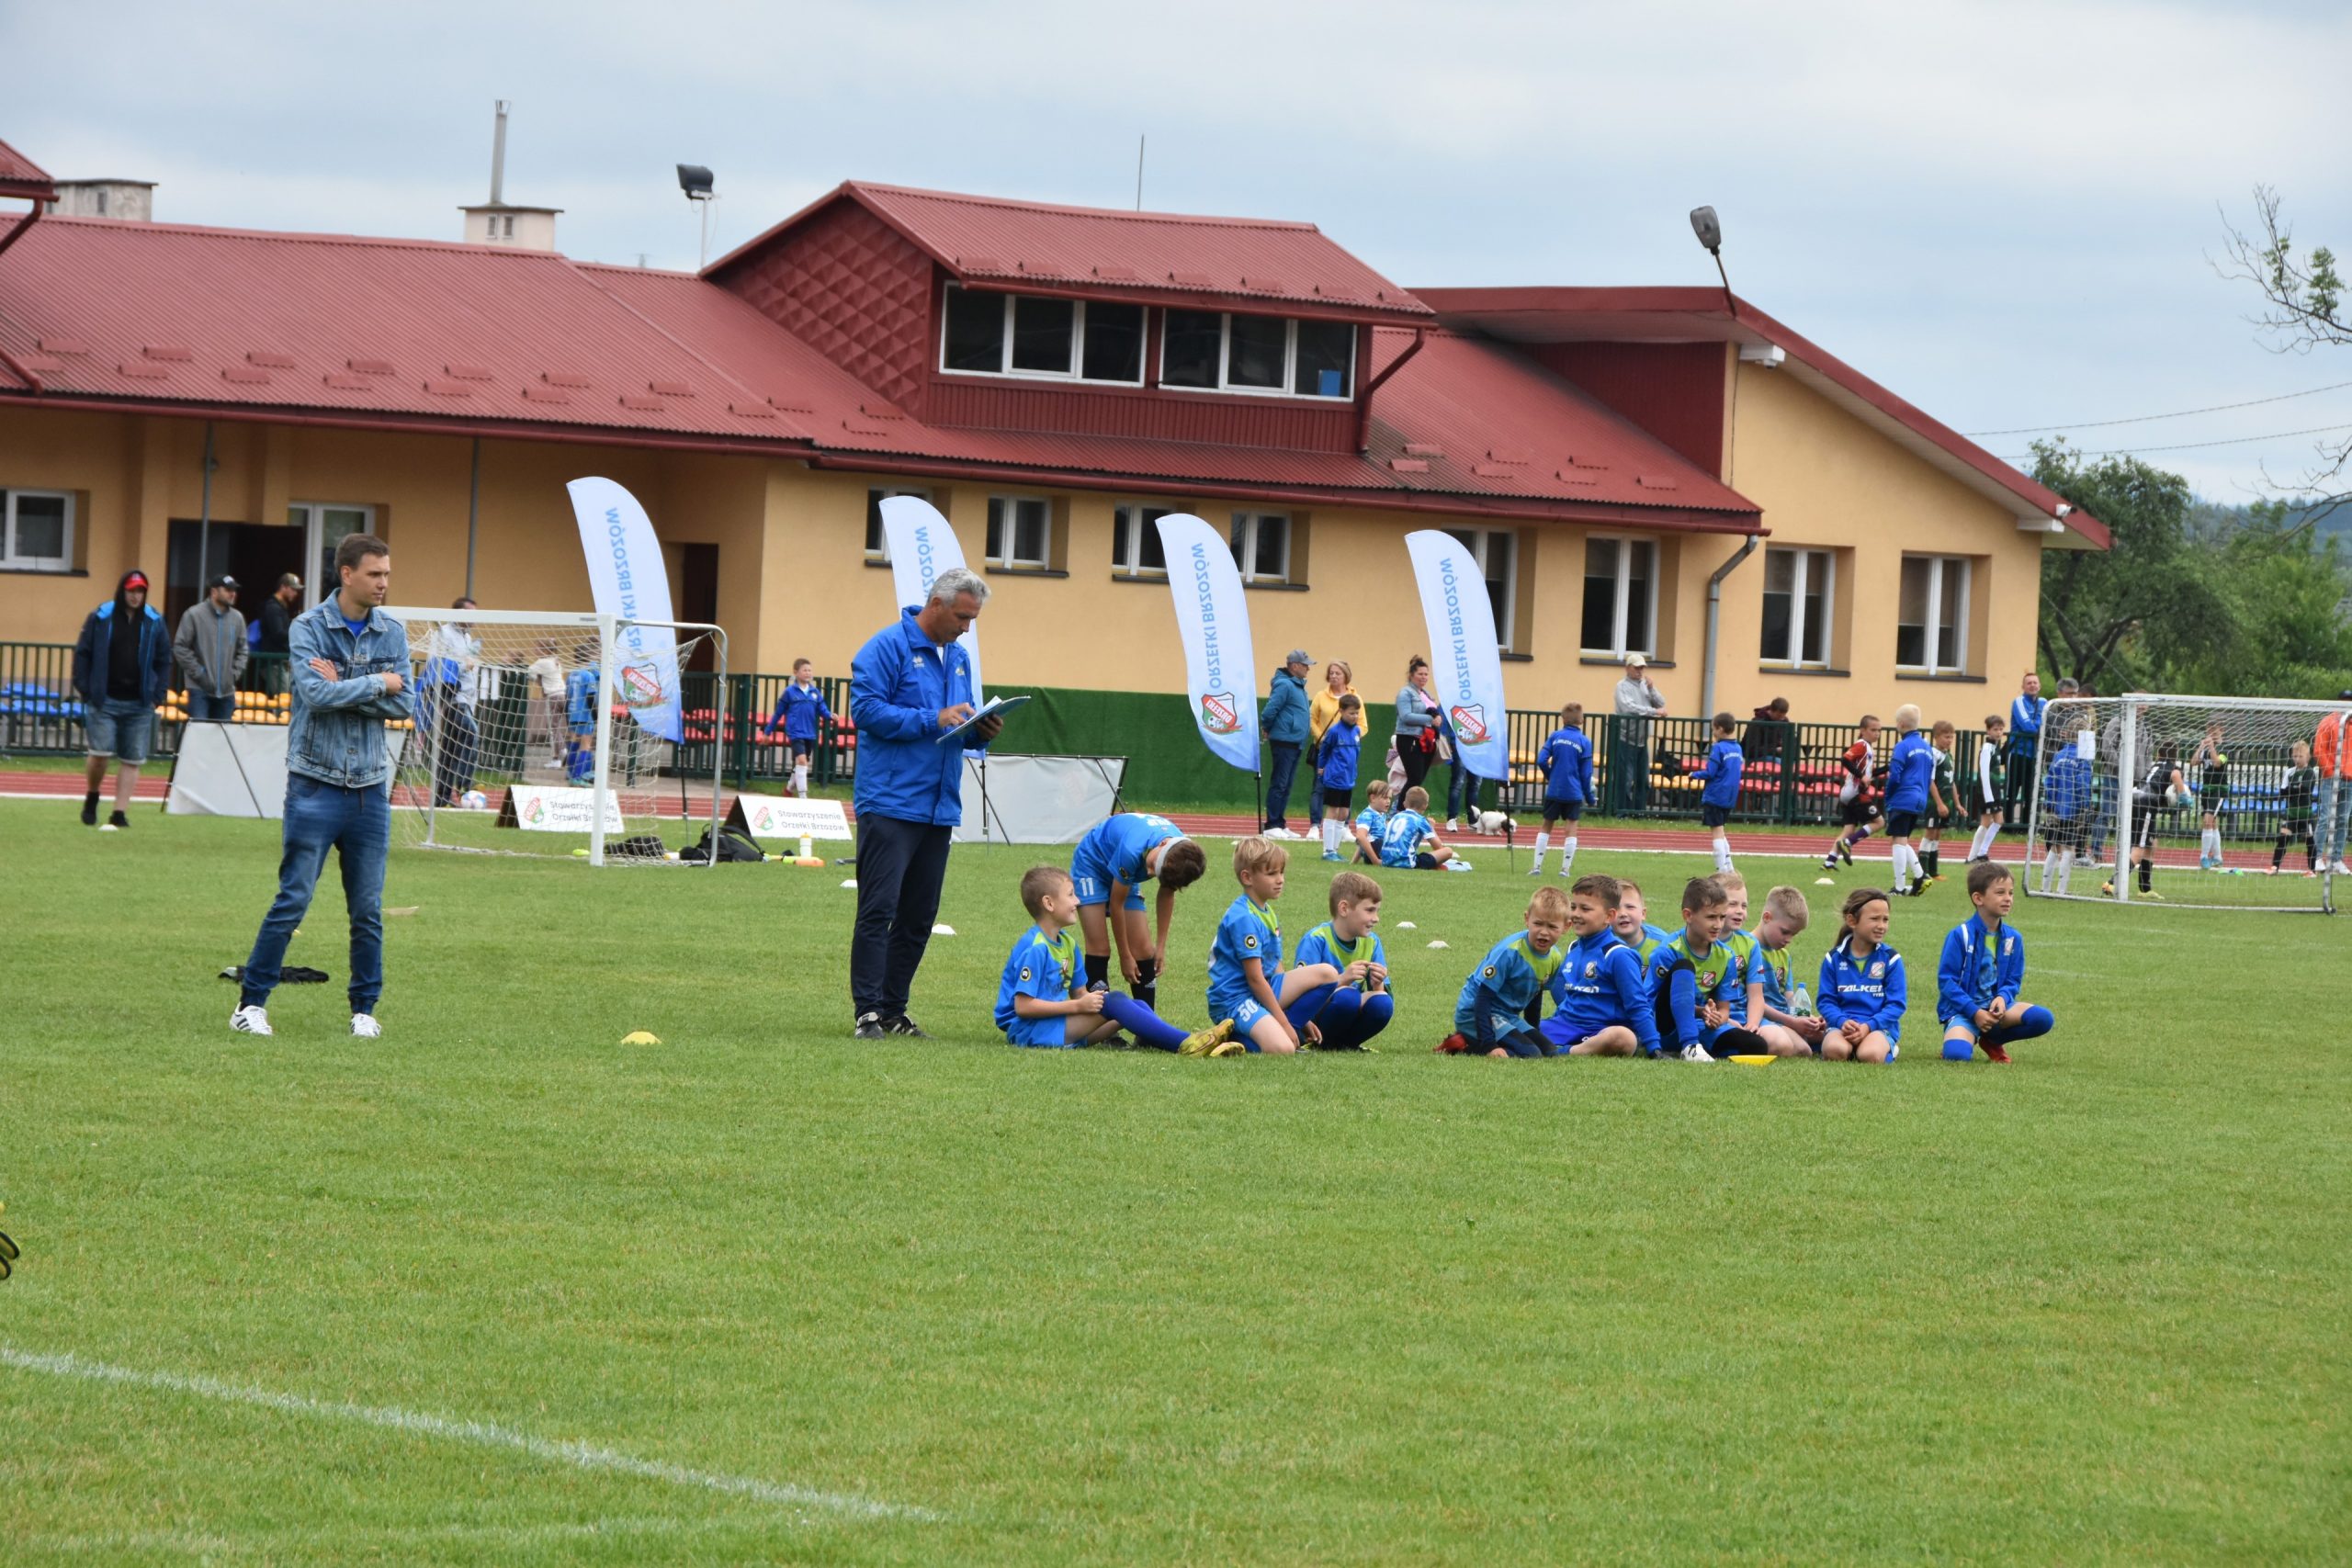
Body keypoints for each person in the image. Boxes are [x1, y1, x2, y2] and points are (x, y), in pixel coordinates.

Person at [229, 534, 411, 1039]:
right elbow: (314, 693)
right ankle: (250, 1005)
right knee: (292, 900)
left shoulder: (392, 631)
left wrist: (345, 689)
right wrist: (378, 683)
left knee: (368, 911)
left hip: (371, 791)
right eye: (375, 574)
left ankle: (364, 1011)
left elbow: (406, 703)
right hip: (314, 786)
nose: (384, 583)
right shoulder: (308, 626)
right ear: (347, 574)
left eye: (387, 574)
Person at [847, 567, 1002, 1040]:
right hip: (891, 802)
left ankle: (894, 1011)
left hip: (939, 806)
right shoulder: (885, 647)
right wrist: (932, 718)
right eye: (961, 616)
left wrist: (981, 730)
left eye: (972, 619)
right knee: (879, 909)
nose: (966, 627)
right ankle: (867, 1013)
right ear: (936, 605)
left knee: (919, 916)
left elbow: (957, 721)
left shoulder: (958, 657)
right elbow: (865, 711)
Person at [997, 865, 1236, 1055]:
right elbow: (1023, 1007)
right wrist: (1078, 1006)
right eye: (1070, 895)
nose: (1078, 901)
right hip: (1030, 1031)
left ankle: (1198, 1045)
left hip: (1058, 1025)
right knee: (1117, 1001)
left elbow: (1080, 994)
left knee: (1137, 1006)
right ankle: (1188, 1043)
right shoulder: (1036, 948)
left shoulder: (1068, 944)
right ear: (1049, 903)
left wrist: (1085, 1001)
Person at [1204, 837, 1341, 1055]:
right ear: (1247, 877)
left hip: (1262, 986)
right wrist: (1285, 1025)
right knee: (1283, 1049)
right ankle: (1228, 1037)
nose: (1280, 880)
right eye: (1272, 874)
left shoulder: (1265, 909)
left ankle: (1280, 1028)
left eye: (1281, 872)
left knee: (1328, 973)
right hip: (1236, 998)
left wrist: (1297, 1019)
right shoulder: (1244, 918)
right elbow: (1255, 979)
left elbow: (1275, 964)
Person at [1068, 810, 1208, 1007]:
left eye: (1154, 872)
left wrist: (1160, 947)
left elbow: (1167, 894)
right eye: (1151, 866)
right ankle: (1103, 1025)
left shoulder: (1181, 854)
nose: (1149, 872)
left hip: (1127, 872)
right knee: (1100, 947)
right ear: (1161, 845)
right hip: (1092, 865)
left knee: (1144, 950)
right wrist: (1125, 956)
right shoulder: (1132, 850)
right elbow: (1117, 905)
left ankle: (1146, 1030)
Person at [71, 569, 173, 830]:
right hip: (104, 699)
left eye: (140, 591)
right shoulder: (101, 616)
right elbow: (83, 653)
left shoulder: (154, 621)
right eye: (131, 590)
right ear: (122, 590)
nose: (136, 596)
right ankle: (93, 795)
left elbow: (164, 660)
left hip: (140, 703)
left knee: (132, 758)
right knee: (100, 753)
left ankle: (119, 812)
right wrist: (85, 688)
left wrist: (156, 696)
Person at [1937, 862, 2056, 1064]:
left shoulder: (2013, 938)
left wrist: (2002, 997)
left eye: (2010, 893)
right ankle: (1965, 1035)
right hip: (1965, 1011)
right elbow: (1946, 982)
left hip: (1996, 1010)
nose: (2008, 898)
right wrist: (1974, 1012)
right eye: (2000, 893)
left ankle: (1992, 1039)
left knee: (2043, 1019)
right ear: (1978, 898)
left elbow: (2013, 980)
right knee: (1957, 1055)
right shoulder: (1960, 935)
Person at [1438, 886, 1573, 1058]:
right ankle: (1463, 1045)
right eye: (1538, 923)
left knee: (1550, 1052)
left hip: (1507, 1016)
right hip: (1476, 1014)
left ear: (1566, 927)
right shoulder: (1510, 952)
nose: (1544, 933)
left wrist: (1532, 1032)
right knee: (1531, 1054)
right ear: (1527, 919)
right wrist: (1489, 1045)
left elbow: (1535, 994)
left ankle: (1501, 1042)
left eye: (1552, 927)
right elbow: (1482, 998)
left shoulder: (1554, 957)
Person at [1535, 874, 1662, 1057]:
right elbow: (1563, 987)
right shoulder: (1574, 948)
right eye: (1574, 907)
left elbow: (1637, 1004)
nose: (1576, 914)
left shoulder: (1618, 954)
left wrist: (1654, 1047)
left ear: (1609, 916)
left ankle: (1564, 1051)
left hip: (1602, 1030)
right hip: (1567, 1024)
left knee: (1623, 1038)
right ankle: (1556, 1046)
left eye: (1585, 909)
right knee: (1519, 1028)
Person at [1645, 874, 1768, 1062]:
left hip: (1701, 1025)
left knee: (1757, 1046)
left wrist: (1717, 1017)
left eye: (1721, 917)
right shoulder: (1668, 950)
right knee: (1683, 966)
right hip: (1667, 1025)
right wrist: (1701, 1011)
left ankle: (1698, 1047)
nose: (1718, 925)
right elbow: (1653, 1002)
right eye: (1711, 917)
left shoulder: (1726, 956)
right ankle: (1689, 1045)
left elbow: (1724, 1008)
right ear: (1688, 915)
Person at [1293, 871, 1395, 1051]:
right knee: (1347, 997)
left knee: (1383, 1004)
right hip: (1316, 1016)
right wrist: (1342, 979)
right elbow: (1299, 995)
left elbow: (1377, 994)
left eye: (1377, 911)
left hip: (1349, 1007)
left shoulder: (1372, 941)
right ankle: (1318, 1042)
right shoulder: (1317, 939)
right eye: (1370, 910)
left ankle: (1347, 1044)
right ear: (1344, 909)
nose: (1376, 918)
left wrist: (1377, 983)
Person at [1815, 887, 1905, 1063]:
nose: (1881, 926)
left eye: (1885, 920)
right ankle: (1843, 1047)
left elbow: (1896, 1005)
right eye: (1874, 919)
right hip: (1842, 1026)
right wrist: (1841, 1021)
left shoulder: (1891, 959)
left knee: (1869, 1055)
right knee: (1834, 1051)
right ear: (1852, 920)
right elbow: (1826, 1001)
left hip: (1878, 1027)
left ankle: (1888, 1048)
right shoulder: (1832, 959)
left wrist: (1869, 1026)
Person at [1747, 885, 1826, 1057]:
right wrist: (1792, 1022)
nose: (1788, 940)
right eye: (1785, 932)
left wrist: (1806, 1018)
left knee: (1826, 1034)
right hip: (1762, 1018)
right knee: (1802, 1050)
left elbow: (1789, 997)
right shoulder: (1747, 949)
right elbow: (1752, 1000)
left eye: (1794, 935)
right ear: (1767, 917)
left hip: (1783, 1018)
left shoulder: (1783, 955)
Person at [2110, 731, 2185, 900]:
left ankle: (2145, 889)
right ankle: (2112, 883)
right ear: (2176, 756)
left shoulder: (2155, 766)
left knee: (2152, 844)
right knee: (2140, 847)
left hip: (2135, 796)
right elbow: (2175, 776)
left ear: (2158, 754)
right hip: (2146, 801)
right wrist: (2185, 797)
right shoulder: (2173, 768)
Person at [424, 599, 482, 807]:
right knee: (471, 733)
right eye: (470, 613)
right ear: (458, 613)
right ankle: (466, 784)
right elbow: (437, 663)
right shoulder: (444, 634)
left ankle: (442, 796)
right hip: (452, 698)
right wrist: (462, 666)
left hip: (467, 699)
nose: (474, 618)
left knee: (451, 749)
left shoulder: (468, 637)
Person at [1529, 703, 1594, 878]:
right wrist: (1589, 795)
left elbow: (1542, 760)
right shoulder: (1584, 741)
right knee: (1571, 828)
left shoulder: (1555, 736)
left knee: (1546, 826)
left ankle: (1536, 866)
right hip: (1573, 791)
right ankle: (1564, 869)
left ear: (1563, 719)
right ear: (1581, 720)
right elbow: (1586, 773)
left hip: (1555, 790)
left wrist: (1552, 776)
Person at [174, 574, 248, 723]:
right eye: (227, 590)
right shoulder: (194, 614)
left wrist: (233, 674)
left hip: (227, 693)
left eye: (234, 590)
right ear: (214, 592)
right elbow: (180, 646)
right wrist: (200, 674)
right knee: (201, 737)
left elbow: (243, 650)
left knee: (221, 740)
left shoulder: (237, 618)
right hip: (199, 690)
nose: (233, 593)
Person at [1258, 648, 1312, 837]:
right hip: (1284, 741)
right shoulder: (1285, 685)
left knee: (1286, 785)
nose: (1308, 669)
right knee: (1279, 784)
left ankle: (1279, 823)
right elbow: (1269, 711)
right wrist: (1267, 727)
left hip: (1294, 741)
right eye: (1305, 665)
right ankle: (1272, 825)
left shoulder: (1296, 685)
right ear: (1295, 666)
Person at [1883, 705, 1935, 896]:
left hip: (1903, 796)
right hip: (1920, 798)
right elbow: (1930, 777)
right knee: (1902, 838)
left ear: (1901, 724)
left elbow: (1894, 776)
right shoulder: (1927, 747)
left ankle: (1899, 887)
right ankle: (1921, 876)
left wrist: (1888, 795)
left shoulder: (1902, 746)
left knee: (1897, 840)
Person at [765, 658, 835, 798]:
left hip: (810, 732)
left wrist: (830, 716)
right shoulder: (790, 692)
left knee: (800, 764)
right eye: (805, 670)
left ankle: (789, 789)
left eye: (810, 670)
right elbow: (778, 713)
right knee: (802, 761)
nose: (808, 673)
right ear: (796, 672)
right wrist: (767, 732)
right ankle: (803, 797)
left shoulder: (815, 692)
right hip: (795, 732)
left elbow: (822, 709)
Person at [1821, 714, 1884, 870]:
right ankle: (1848, 843)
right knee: (1879, 822)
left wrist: (1887, 768)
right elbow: (1845, 759)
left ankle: (1829, 862)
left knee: (1848, 829)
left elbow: (1869, 774)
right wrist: (1861, 776)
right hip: (1856, 793)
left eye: (1879, 730)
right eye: (1873, 730)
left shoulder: (1867, 747)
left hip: (1847, 794)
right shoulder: (1862, 745)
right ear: (1862, 730)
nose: (1877, 733)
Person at [2037, 728, 2094, 897]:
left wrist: (2049, 805)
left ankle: (2044, 886)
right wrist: (2085, 805)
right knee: (2069, 846)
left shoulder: (2059, 755)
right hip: (2073, 807)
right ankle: (2061, 889)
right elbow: (2083, 783)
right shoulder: (2083, 758)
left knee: (2055, 846)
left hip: (2057, 807)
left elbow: (2050, 781)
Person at [1612, 654, 1668, 812]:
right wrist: (1654, 711)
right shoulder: (1622, 686)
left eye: (1642, 667)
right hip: (1625, 738)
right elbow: (1629, 708)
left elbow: (1661, 703)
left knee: (1643, 780)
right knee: (1625, 779)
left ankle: (1639, 811)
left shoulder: (1645, 685)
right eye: (1636, 667)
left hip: (1642, 739)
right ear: (1627, 668)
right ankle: (1622, 812)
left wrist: (1652, 688)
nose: (1640, 670)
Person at [1316, 692, 1366, 862]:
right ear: (1342, 712)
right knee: (1333, 811)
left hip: (1348, 779)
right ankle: (1327, 851)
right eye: (1351, 713)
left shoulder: (1357, 731)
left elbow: (1356, 754)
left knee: (1344, 813)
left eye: (1357, 713)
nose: (1355, 716)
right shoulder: (1335, 732)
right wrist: (1321, 768)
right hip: (1335, 777)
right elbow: (1324, 751)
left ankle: (1335, 849)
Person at [1380, 784, 1467, 871]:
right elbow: (1438, 847)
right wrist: (1431, 827)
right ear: (1425, 806)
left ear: (1404, 803)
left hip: (1385, 861)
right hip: (1405, 862)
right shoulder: (1420, 820)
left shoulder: (1396, 817)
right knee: (1448, 851)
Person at [1698, 711, 1742, 874]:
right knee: (1721, 830)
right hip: (1730, 795)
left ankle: (1721, 870)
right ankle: (1729, 867)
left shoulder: (1718, 748)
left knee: (1716, 831)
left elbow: (1710, 772)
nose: (1713, 733)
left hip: (1716, 794)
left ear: (1721, 729)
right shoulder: (1737, 748)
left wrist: (1694, 775)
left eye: (1713, 730)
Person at [1392, 656, 1442, 796]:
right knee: (1414, 779)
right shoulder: (1405, 693)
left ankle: (1407, 811)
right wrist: (1430, 719)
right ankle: (1399, 812)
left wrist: (1437, 717)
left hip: (1426, 741)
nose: (1424, 677)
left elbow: (1433, 712)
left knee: (1418, 780)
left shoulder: (1426, 693)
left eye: (1426, 674)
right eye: (1420, 674)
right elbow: (1406, 716)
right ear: (1411, 675)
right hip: (1409, 739)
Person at [2003, 671, 2047, 828]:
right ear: (2023, 687)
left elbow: (2047, 724)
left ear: (2039, 685)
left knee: (2031, 792)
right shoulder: (2019, 701)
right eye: (2029, 683)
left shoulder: (2044, 702)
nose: (2032, 685)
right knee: (2012, 791)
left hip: (2035, 755)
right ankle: (2007, 826)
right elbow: (2026, 725)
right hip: (2017, 753)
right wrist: (2039, 727)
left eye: (2035, 682)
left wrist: (2038, 726)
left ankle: (2027, 827)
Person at [1963, 714, 2007, 863]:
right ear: (1988, 731)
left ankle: (1979, 854)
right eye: (1995, 729)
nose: (1999, 732)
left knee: (1995, 821)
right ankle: (1976, 854)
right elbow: (1984, 772)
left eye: (2001, 729)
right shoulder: (1987, 748)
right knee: (1989, 822)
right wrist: (1988, 796)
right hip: (1987, 791)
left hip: (1994, 790)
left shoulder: (1995, 747)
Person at [1919, 718, 1960, 882]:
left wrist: (1957, 803)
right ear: (1936, 737)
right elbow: (1930, 781)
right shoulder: (1933, 754)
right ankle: (1922, 872)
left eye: (1951, 737)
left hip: (1946, 801)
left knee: (1937, 834)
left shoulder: (1948, 754)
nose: (1949, 740)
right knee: (1930, 832)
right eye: (1946, 737)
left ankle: (1933, 871)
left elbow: (1951, 782)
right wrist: (1939, 803)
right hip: (1934, 802)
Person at [2273, 739, 2319, 875]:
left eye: (2300, 756)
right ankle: (2274, 867)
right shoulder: (2289, 772)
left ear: (2307, 757)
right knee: (2283, 839)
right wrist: (2296, 788)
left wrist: (2293, 789)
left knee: (2309, 841)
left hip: (2305, 813)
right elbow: (2283, 792)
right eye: (2295, 756)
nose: (2297, 759)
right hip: (2291, 813)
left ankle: (2312, 870)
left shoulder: (2310, 772)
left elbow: (2306, 789)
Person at [2190, 717, 2230, 871]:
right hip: (2206, 789)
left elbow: (2217, 763)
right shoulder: (2206, 748)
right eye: (2209, 730)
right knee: (2211, 823)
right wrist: (2201, 747)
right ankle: (2218, 857)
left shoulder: (2225, 747)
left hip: (2218, 789)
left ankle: (2204, 857)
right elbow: (2193, 762)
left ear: (2222, 730)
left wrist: (2212, 747)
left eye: (2215, 730)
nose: (2211, 733)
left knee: (2208, 820)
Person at [255, 572, 303, 695]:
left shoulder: (279, 607)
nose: (295, 593)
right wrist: (297, 630)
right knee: (284, 701)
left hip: (279, 663)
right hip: (274, 663)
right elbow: (278, 634)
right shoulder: (273, 607)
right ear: (283, 587)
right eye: (293, 589)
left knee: (285, 699)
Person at [1611, 878, 1672, 968]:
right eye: (1616, 908)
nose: (1623, 914)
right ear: (1608, 915)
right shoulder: (1601, 942)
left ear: (1643, 914)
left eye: (1630, 907)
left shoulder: (1662, 944)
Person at [2320, 702, 2352, 874]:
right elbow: (2320, 749)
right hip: (2331, 777)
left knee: (2343, 819)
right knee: (2325, 817)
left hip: (2350, 779)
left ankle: (2336, 859)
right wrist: (2331, 771)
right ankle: (2317, 858)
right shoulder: (2328, 722)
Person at [525, 639, 565, 768]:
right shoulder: (556, 661)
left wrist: (536, 680)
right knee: (555, 726)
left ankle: (561, 752)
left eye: (538, 648)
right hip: (563, 695)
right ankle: (558, 757)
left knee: (552, 728)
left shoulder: (542, 662)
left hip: (552, 697)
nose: (535, 650)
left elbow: (529, 672)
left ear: (545, 650)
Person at [1349, 780, 1393, 863]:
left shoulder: (1382, 814)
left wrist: (1353, 863)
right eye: (1385, 797)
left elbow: (1363, 841)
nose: (1388, 801)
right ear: (1373, 798)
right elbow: (1361, 837)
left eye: (1389, 798)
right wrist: (1375, 860)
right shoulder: (1367, 815)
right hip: (1376, 848)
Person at [1741, 696, 1792, 761]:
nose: (1781, 719)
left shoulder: (1784, 721)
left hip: (1775, 756)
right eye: (1779, 716)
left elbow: (1790, 740)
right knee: (1779, 762)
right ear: (1771, 711)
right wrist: (1775, 750)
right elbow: (1752, 750)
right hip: (1755, 757)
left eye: (1783, 716)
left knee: (1791, 763)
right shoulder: (1757, 724)